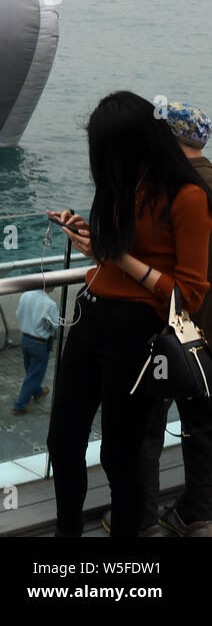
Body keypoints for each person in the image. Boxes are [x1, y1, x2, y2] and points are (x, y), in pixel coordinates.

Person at [47, 91, 212, 537]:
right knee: (63, 443)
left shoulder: (189, 197)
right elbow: (116, 257)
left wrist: (118, 257)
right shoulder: (125, 183)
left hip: (137, 334)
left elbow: (189, 294)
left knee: (120, 456)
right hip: (91, 316)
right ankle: (67, 532)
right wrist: (89, 236)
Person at [137, 101, 212, 536]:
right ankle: (198, 515)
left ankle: (141, 519)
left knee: (147, 424)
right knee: (203, 423)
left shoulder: (169, 190)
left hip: (172, 324)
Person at [13, 290, 58, 414]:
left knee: (30, 370)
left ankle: (38, 392)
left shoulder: (25, 295)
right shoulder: (50, 304)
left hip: (25, 339)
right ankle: (21, 405)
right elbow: (56, 325)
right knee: (35, 374)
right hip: (39, 343)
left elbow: (18, 313)